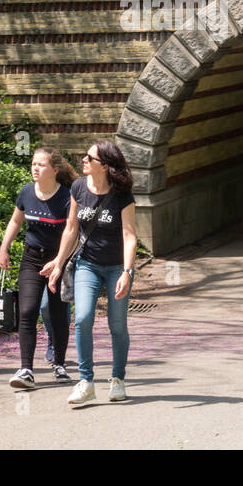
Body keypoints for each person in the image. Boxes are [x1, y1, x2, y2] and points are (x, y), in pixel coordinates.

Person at [43, 140, 138, 406]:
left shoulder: (122, 194)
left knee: (117, 325)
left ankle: (118, 379)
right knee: (83, 318)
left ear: (105, 166)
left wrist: (127, 272)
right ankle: (86, 382)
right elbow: (71, 229)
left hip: (117, 267)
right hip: (87, 264)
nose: (83, 160)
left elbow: (130, 236)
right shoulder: (78, 188)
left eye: (90, 158)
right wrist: (59, 263)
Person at [0, 148, 77, 388]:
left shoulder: (67, 196)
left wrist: (59, 263)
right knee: (27, 310)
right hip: (31, 259)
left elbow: (72, 232)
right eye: (33, 164)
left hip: (58, 259)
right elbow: (15, 220)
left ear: (54, 170)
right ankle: (26, 369)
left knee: (57, 313)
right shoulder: (26, 192)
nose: (35, 168)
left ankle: (60, 364)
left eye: (41, 165)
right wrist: (3, 247)